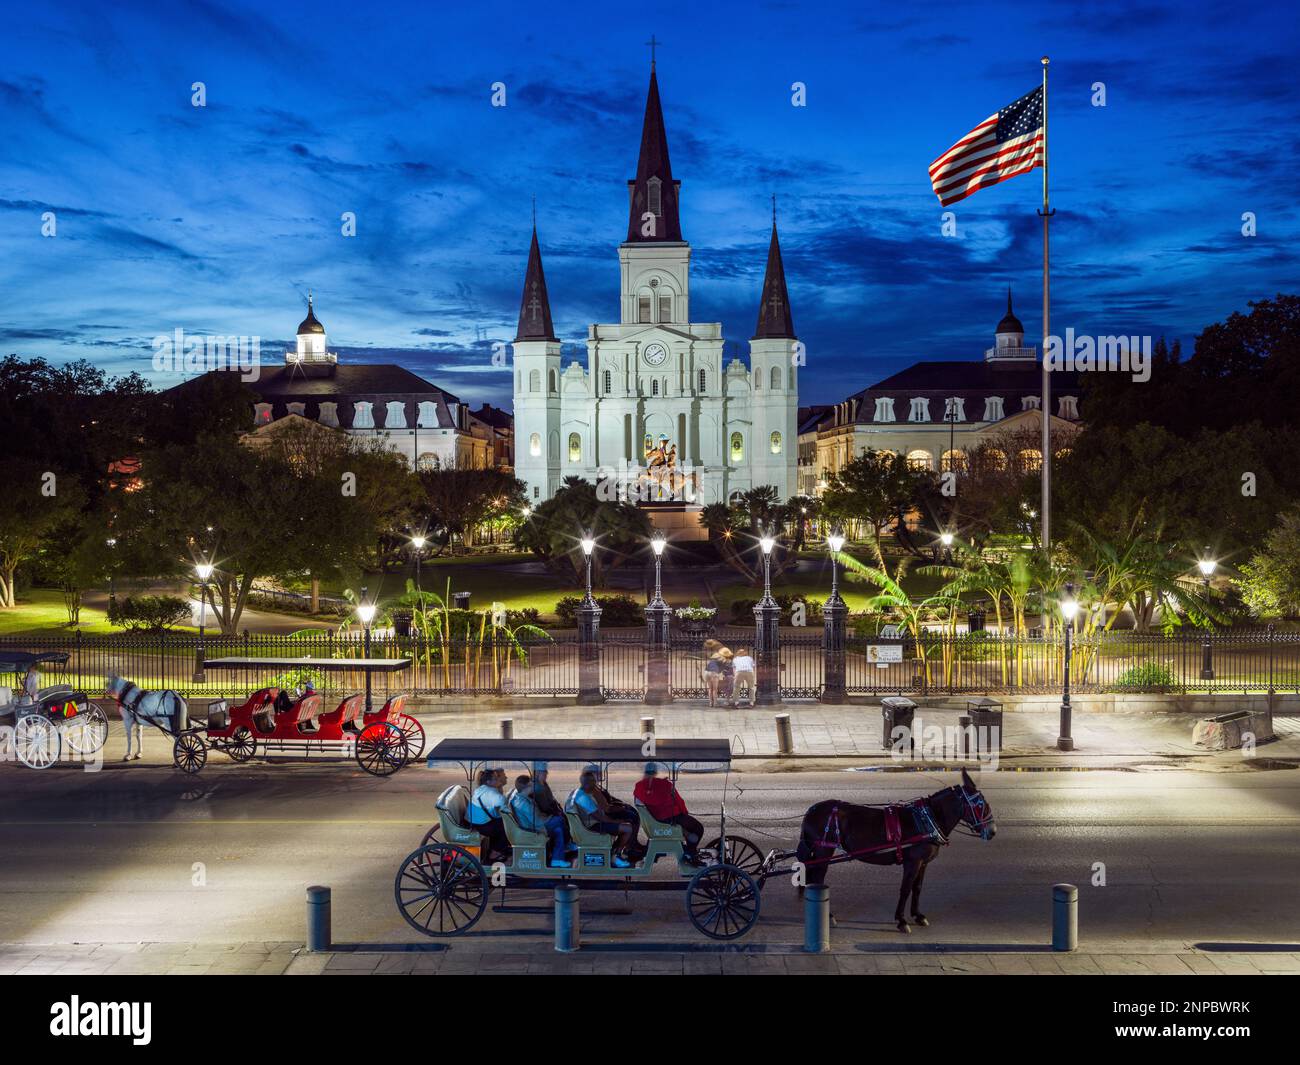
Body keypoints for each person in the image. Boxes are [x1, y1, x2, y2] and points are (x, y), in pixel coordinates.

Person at [633, 763, 705, 865]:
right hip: (671, 817)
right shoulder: (666, 785)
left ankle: (687, 838)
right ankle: (690, 853)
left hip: (655, 819)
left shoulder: (639, 786)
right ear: (655, 772)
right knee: (698, 828)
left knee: (688, 827)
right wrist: (685, 813)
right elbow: (679, 801)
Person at [569, 769, 635, 867]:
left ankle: (614, 853)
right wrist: (616, 822)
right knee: (628, 828)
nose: (595, 785)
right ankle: (615, 856)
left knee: (623, 824)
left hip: (588, 825)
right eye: (593, 783)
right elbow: (601, 818)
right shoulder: (584, 798)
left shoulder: (578, 792)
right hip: (592, 827)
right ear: (588, 783)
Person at [511, 774, 571, 868]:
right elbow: (537, 822)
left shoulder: (522, 798)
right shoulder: (523, 804)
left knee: (558, 830)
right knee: (560, 820)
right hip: (532, 829)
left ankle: (557, 859)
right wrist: (550, 818)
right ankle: (567, 844)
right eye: (531, 785)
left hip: (534, 824)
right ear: (527, 787)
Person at [467, 768, 511, 860]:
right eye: (495, 778)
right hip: (481, 824)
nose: (498, 780)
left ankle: (498, 848)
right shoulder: (492, 793)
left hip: (473, 820)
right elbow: (504, 806)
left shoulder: (482, 789)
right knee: (507, 827)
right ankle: (495, 852)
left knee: (501, 822)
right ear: (488, 782)